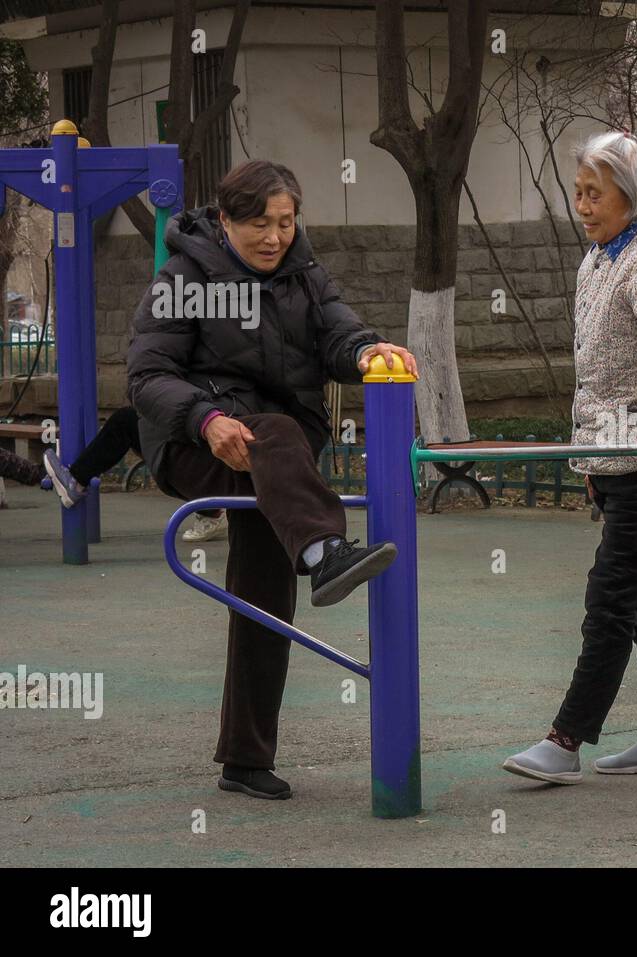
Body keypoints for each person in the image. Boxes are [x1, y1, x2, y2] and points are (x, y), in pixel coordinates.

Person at [127, 159, 418, 800]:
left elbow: (337, 331)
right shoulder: (183, 279)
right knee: (277, 432)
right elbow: (147, 378)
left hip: (275, 464)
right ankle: (324, 551)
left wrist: (368, 350)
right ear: (225, 220)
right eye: (259, 224)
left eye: (286, 223)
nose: (274, 237)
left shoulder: (302, 274)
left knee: (263, 594)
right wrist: (205, 420)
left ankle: (244, 759)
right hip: (194, 444)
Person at [502, 130, 637, 784]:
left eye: (596, 193)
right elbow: (599, 373)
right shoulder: (598, 258)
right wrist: (593, 463)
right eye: (579, 192)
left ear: (632, 193)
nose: (583, 205)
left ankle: (566, 739)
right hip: (617, 457)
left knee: (613, 594)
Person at [41, 406, 227, 541]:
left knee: (127, 422)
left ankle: (74, 480)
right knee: (133, 422)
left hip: (205, 453)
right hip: (207, 453)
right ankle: (211, 510)